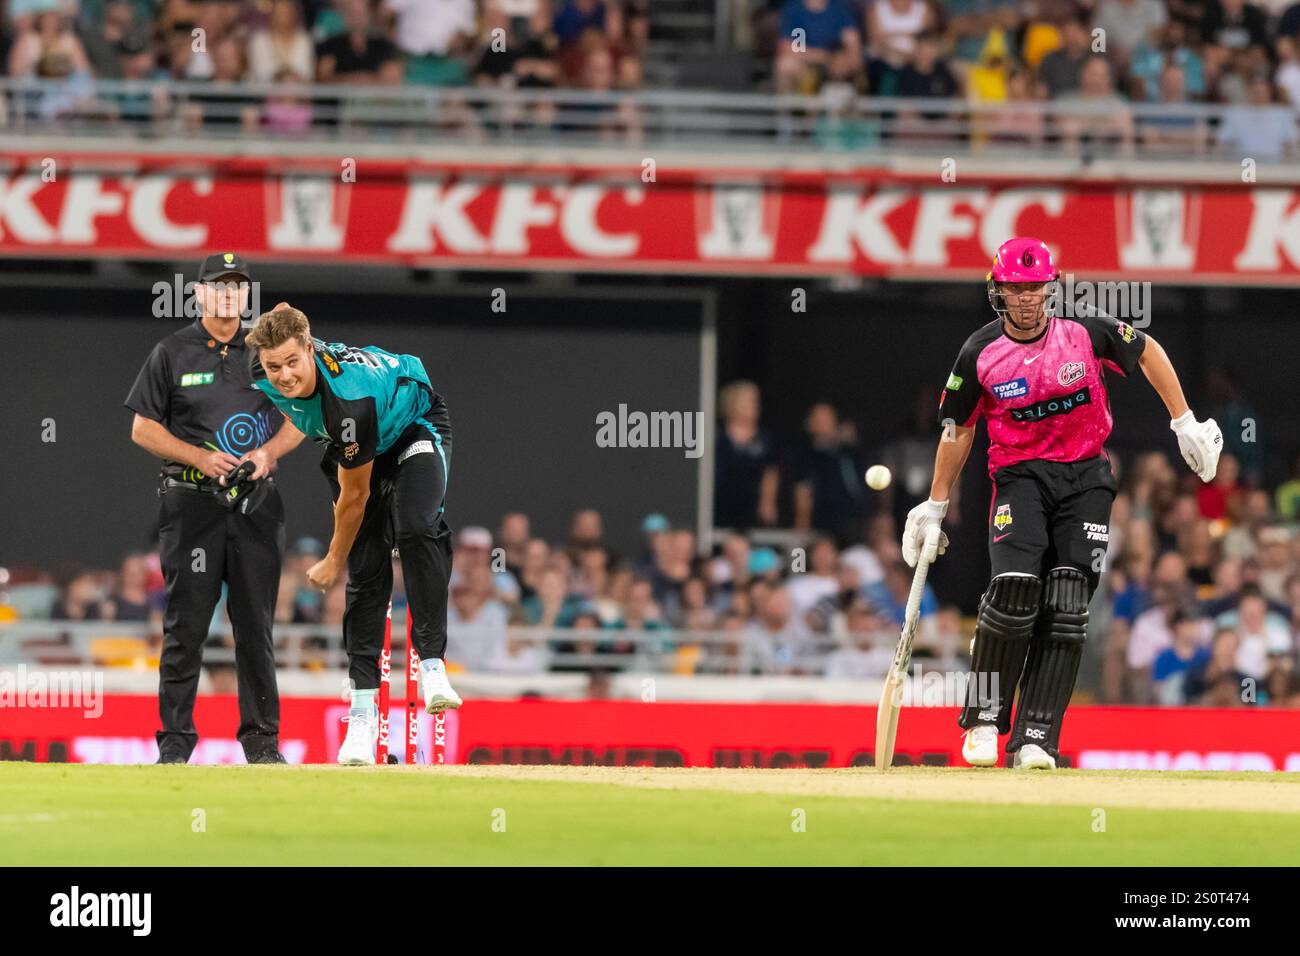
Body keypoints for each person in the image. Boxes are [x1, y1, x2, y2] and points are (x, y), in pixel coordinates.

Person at [905, 236, 1223, 770]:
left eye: (1035, 288)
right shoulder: (978, 353)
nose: (1026, 299)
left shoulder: (1084, 329)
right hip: (1018, 478)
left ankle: (1036, 736)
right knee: (1012, 592)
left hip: (1086, 478)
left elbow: (1148, 352)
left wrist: (1183, 420)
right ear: (997, 291)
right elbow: (957, 430)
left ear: (1049, 289)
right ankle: (984, 718)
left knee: (1068, 603)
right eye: (1015, 289)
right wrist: (935, 505)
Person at [244, 304, 460, 766]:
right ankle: (362, 715)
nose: (282, 376)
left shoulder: (348, 401)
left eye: (291, 362)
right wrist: (266, 451)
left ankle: (433, 665)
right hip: (353, 447)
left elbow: (355, 499)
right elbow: (283, 321)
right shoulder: (261, 359)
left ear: (309, 349)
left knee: (415, 527)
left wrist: (331, 560)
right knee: (368, 571)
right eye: (272, 366)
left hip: (410, 426)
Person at [125, 253, 305, 765]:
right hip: (191, 503)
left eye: (237, 287)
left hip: (256, 505)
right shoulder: (172, 351)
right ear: (198, 294)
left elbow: (303, 413)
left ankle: (262, 744)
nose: (228, 295)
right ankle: (175, 746)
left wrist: (267, 453)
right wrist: (199, 457)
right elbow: (142, 428)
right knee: (185, 627)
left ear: (247, 296)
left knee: (255, 627)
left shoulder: (267, 352)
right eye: (217, 287)